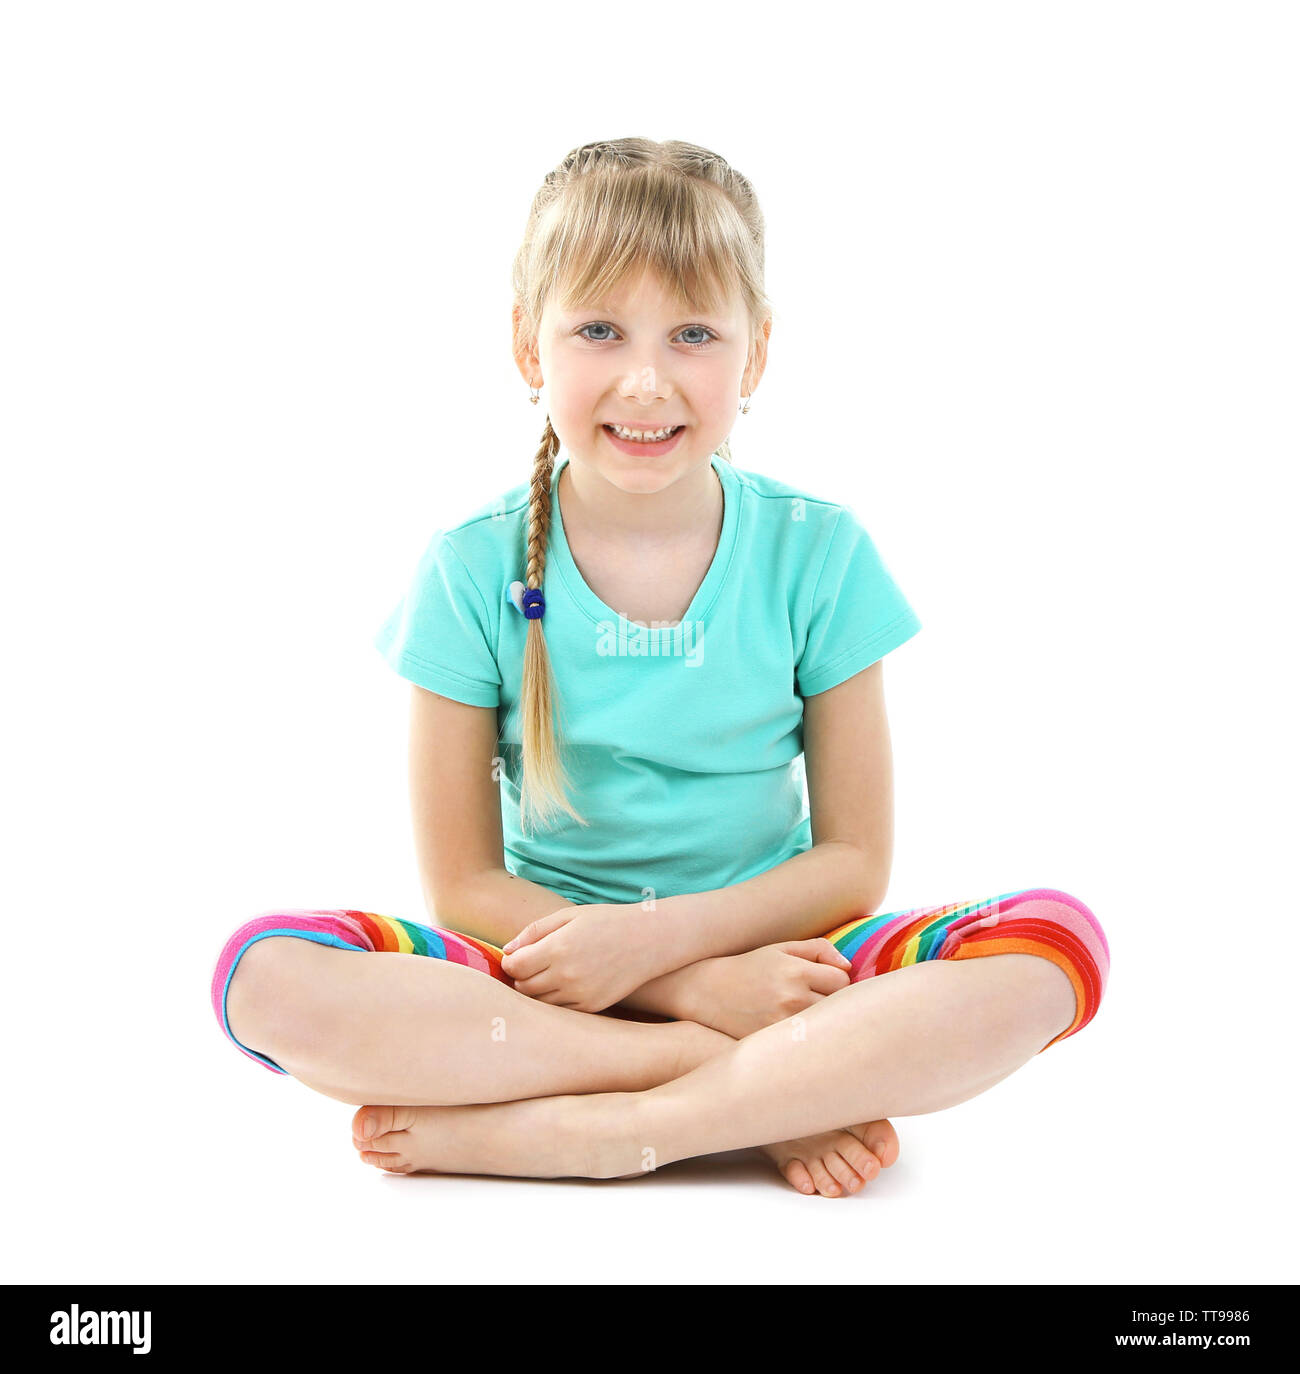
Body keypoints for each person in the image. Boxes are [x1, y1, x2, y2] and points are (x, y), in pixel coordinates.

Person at [211, 137, 1109, 1196]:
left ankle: (604, 1131)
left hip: (784, 974)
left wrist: (684, 950)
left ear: (755, 354)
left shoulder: (817, 551)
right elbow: (461, 888)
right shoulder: (470, 567)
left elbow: (855, 860)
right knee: (261, 975)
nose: (645, 380)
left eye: (692, 334)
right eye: (598, 329)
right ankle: (739, 1089)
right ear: (526, 345)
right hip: (548, 981)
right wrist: (678, 986)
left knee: (1059, 944)